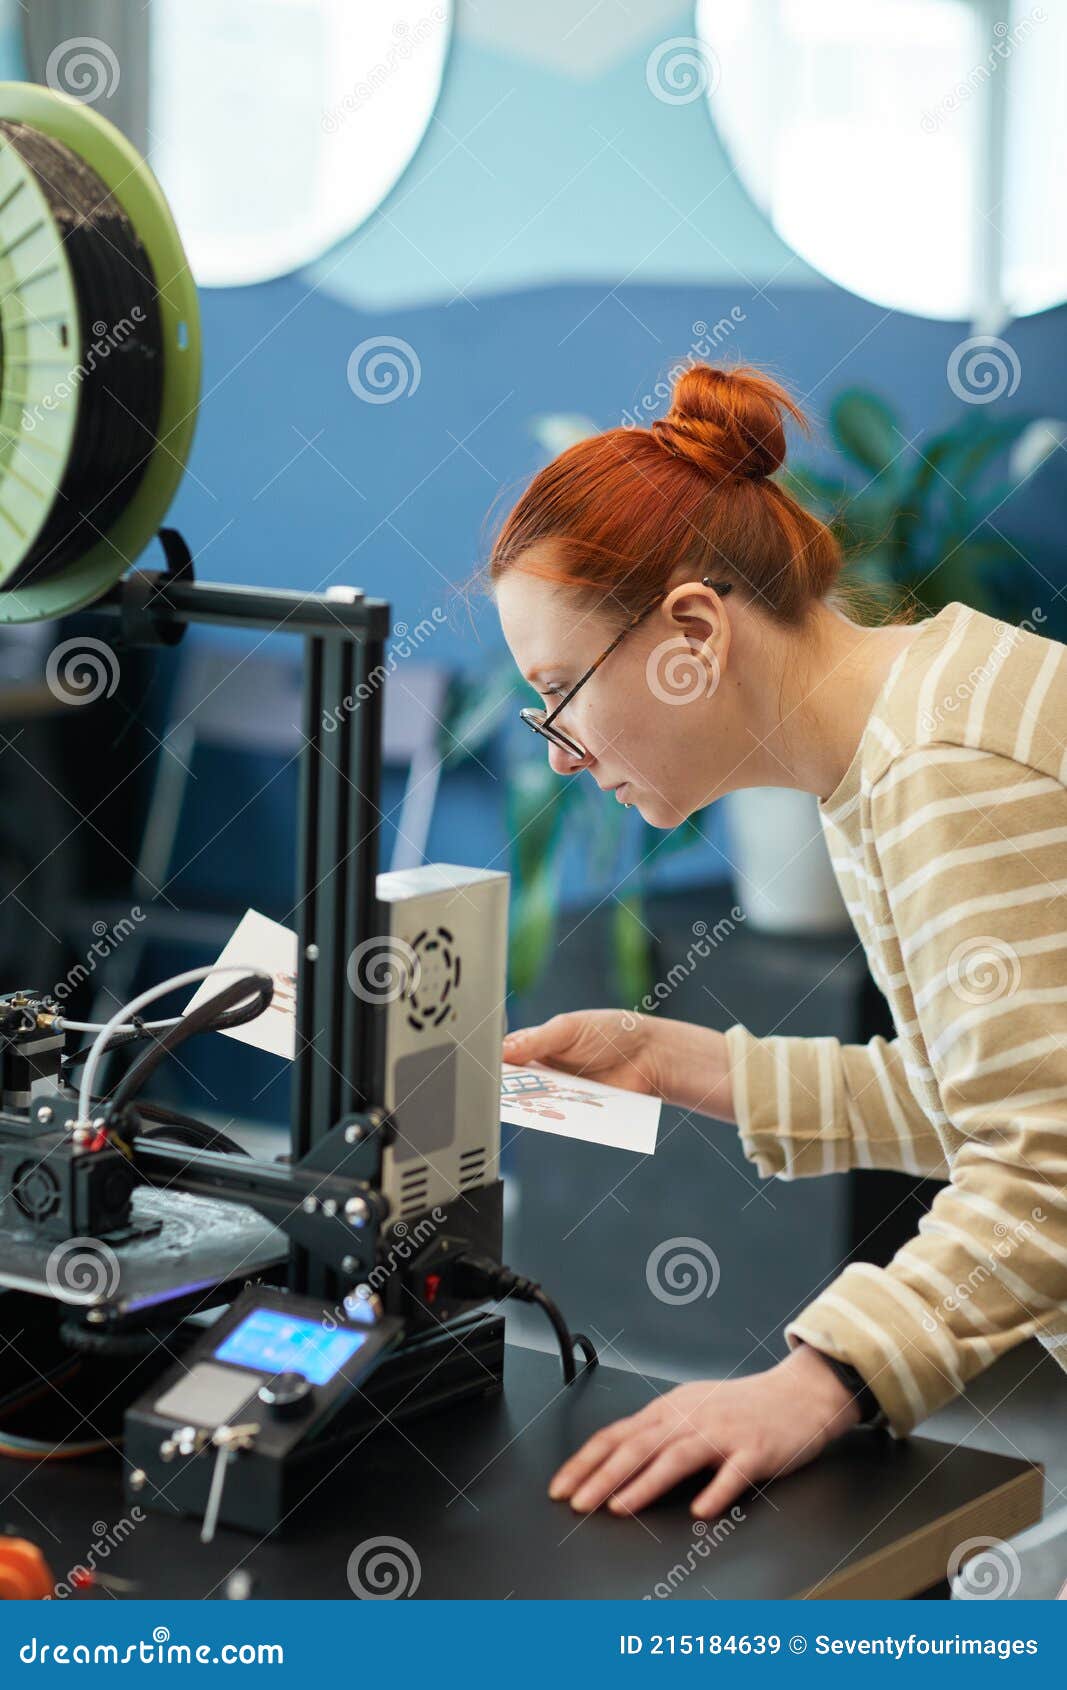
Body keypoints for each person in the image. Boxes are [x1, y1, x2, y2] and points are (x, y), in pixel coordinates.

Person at [486, 361, 1067, 1521]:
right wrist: (666, 1063)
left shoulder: (937, 772)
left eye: (562, 688)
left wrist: (820, 1380)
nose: (557, 748)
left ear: (693, 629)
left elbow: (1045, 1160)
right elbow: (983, 1092)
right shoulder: (905, 728)